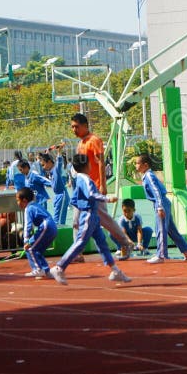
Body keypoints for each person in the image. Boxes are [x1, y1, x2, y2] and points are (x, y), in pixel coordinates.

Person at [49, 154, 131, 286]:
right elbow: (92, 194)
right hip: (89, 215)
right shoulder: (85, 180)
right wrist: (107, 198)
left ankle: (115, 270)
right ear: (87, 165)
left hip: (92, 215)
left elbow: (75, 199)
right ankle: (59, 267)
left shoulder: (79, 179)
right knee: (80, 242)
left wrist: (81, 209)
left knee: (102, 242)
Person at [69, 113, 135, 259]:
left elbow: (101, 163)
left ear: (85, 126)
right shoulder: (80, 143)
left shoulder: (94, 140)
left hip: (94, 188)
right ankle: (77, 253)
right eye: (72, 127)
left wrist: (103, 186)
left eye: (76, 126)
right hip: (82, 189)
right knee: (76, 221)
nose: (74, 129)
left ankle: (126, 242)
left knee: (105, 220)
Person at [135, 153, 187, 263]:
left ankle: (161, 255)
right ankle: (186, 251)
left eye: (138, 163)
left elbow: (156, 191)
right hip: (162, 202)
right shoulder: (147, 176)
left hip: (160, 203)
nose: (136, 165)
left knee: (160, 229)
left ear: (145, 165)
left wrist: (160, 207)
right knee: (171, 230)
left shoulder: (149, 176)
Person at [17, 187, 58, 279]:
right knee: (37, 250)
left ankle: (38, 269)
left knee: (30, 248)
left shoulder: (29, 208)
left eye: (17, 200)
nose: (17, 203)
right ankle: (46, 271)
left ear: (24, 200)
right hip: (52, 227)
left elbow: (28, 224)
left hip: (46, 226)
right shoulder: (36, 205)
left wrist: (26, 240)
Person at [40, 148, 70, 226]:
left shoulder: (55, 170)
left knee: (59, 221)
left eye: (43, 165)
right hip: (57, 197)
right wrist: (47, 153)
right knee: (56, 219)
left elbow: (59, 163)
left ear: (49, 162)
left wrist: (59, 152)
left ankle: (60, 236)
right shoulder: (51, 172)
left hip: (62, 196)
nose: (43, 167)